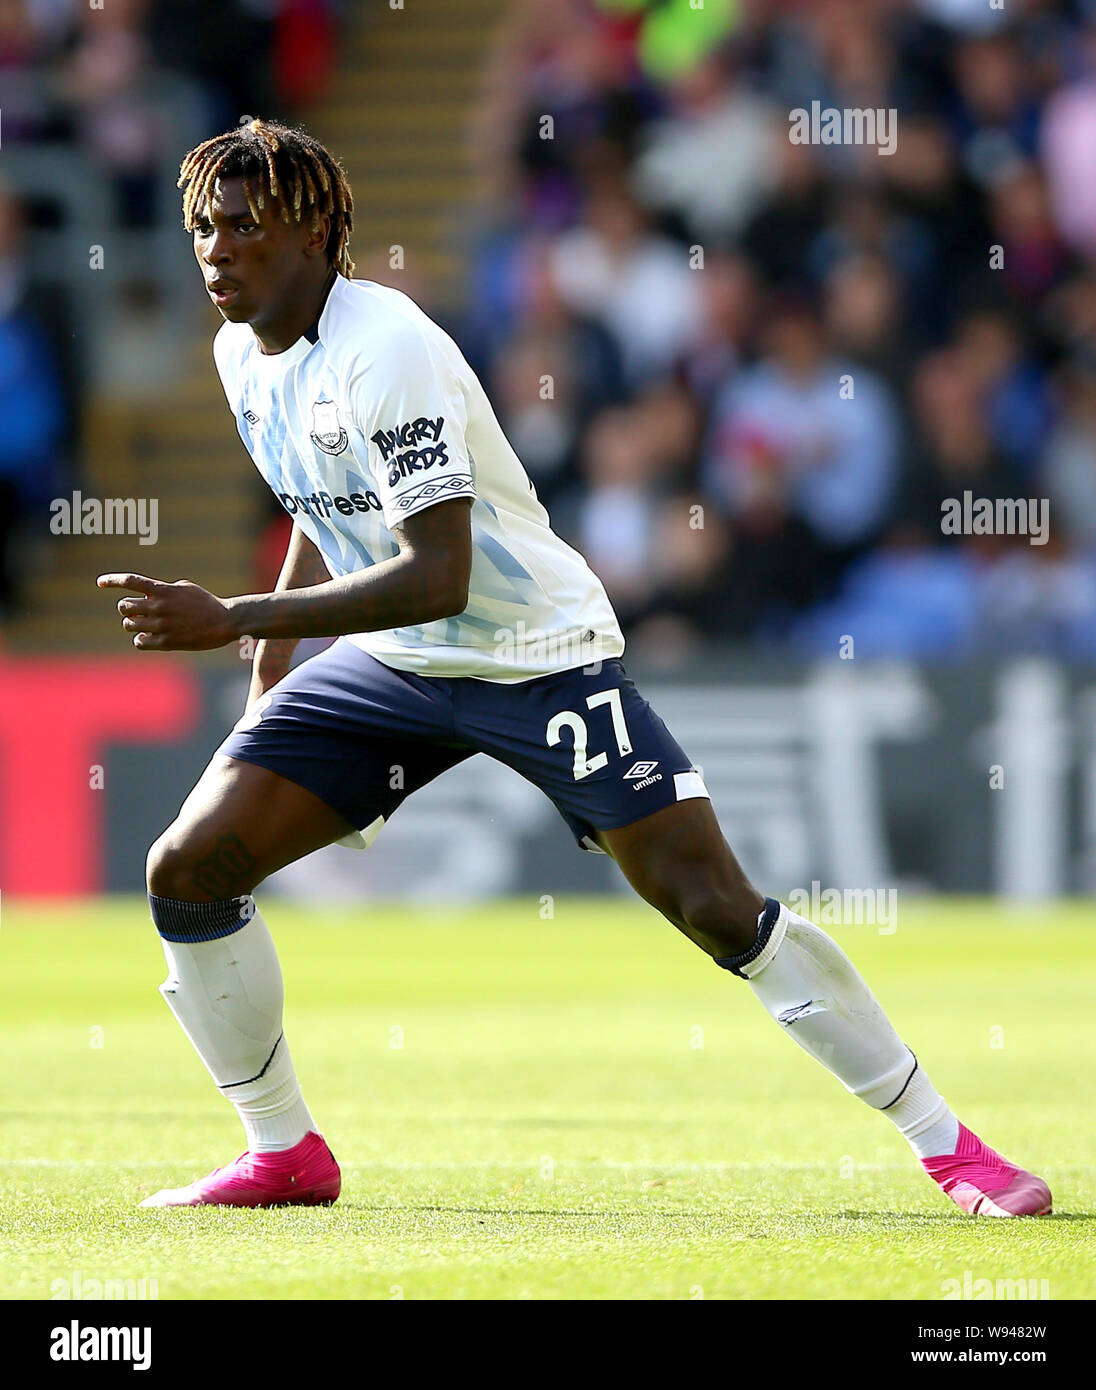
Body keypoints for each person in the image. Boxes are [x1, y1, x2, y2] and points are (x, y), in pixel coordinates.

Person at [99, 120, 1049, 1218]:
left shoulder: (387, 347)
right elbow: (322, 496)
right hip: (396, 663)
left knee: (711, 904)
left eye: (245, 227)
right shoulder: (237, 352)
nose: (216, 251)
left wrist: (234, 616)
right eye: (206, 228)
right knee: (191, 866)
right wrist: (273, 671)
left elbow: (440, 574)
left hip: (531, 654)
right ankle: (282, 1153)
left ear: (313, 228)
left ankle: (951, 1147)